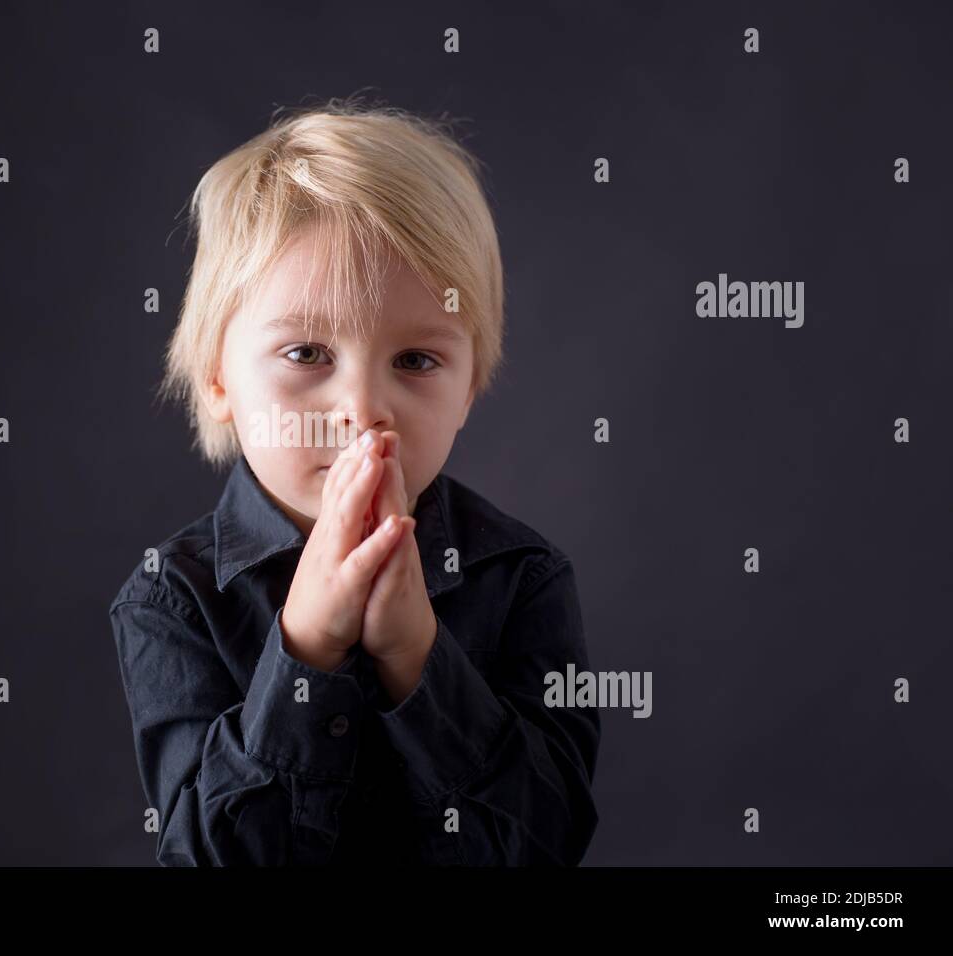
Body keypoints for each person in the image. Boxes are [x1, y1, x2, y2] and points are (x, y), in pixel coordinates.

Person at [110, 97, 599, 865]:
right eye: (306, 355)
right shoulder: (173, 597)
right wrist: (304, 648)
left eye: (416, 361)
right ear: (217, 382)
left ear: (469, 388)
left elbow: (544, 844)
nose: (365, 412)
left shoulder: (522, 581)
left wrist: (416, 655)